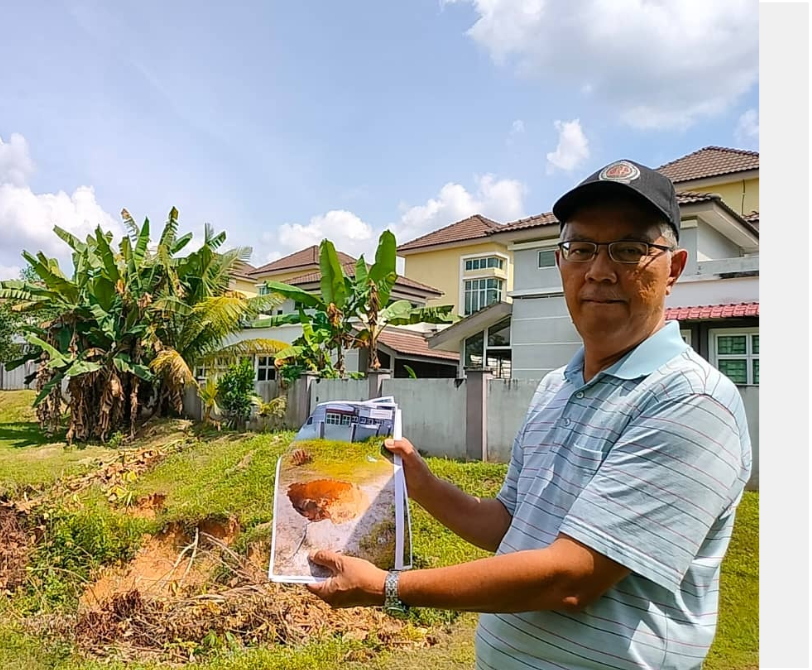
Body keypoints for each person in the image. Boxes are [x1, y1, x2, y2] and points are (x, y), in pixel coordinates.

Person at [304, 159, 753, 669]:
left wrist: (388, 587)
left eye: (629, 250)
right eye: (581, 249)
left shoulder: (690, 399)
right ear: (561, 262)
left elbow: (572, 576)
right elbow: (509, 524)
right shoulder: (555, 388)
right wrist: (419, 481)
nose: (599, 270)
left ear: (673, 269)